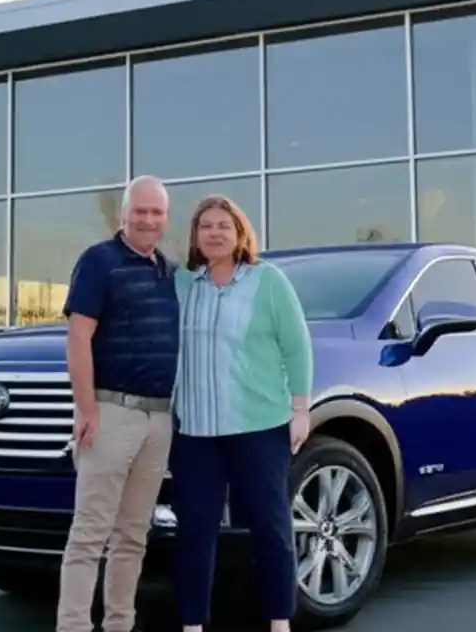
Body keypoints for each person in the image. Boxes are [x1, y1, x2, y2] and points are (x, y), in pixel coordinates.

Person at [169, 194, 313, 632]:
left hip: (259, 427)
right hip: (195, 432)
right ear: (195, 235)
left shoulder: (267, 281)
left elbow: (296, 345)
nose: (214, 232)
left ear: (240, 234)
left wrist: (301, 409)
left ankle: (279, 622)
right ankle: (192, 624)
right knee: (195, 531)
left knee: (271, 528)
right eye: (206, 226)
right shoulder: (181, 285)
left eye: (223, 226)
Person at [56, 175, 179, 632]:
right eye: (140, 211)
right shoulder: (99, 262)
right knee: (89, 534)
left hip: (159, 419)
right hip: (112, 413)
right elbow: (78, 336)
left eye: (157, 213)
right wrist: (86, 409)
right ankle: (72, 625)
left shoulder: (169, 271)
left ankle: (119, 624)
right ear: (123, 214)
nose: (148, 220)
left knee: (133, 536)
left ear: (166, 218)